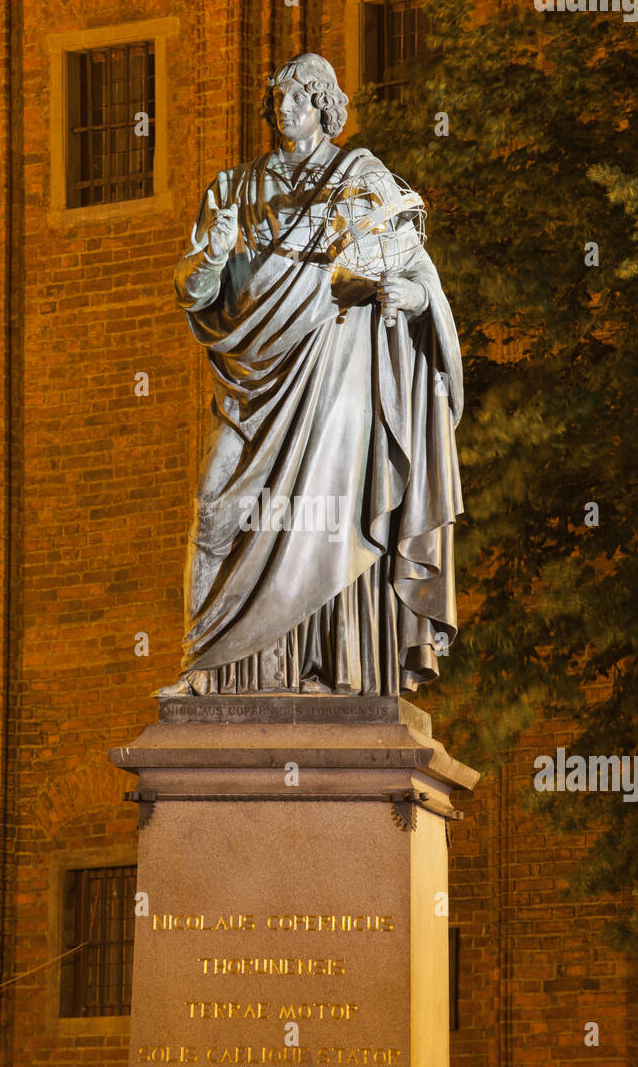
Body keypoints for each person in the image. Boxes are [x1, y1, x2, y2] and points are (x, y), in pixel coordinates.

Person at [158, 52, 464, 697]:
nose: (285, 109)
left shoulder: (361, 176)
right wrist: (212, 258)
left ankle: (333, 668)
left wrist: (410, 298)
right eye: (278, 100)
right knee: (217, 509)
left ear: (326, 105)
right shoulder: (233, 190)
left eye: (300, 97)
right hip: (253, 379)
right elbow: (192, 290)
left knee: (328, 515)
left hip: (336, 366)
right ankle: (206, 665)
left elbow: (412, 266)